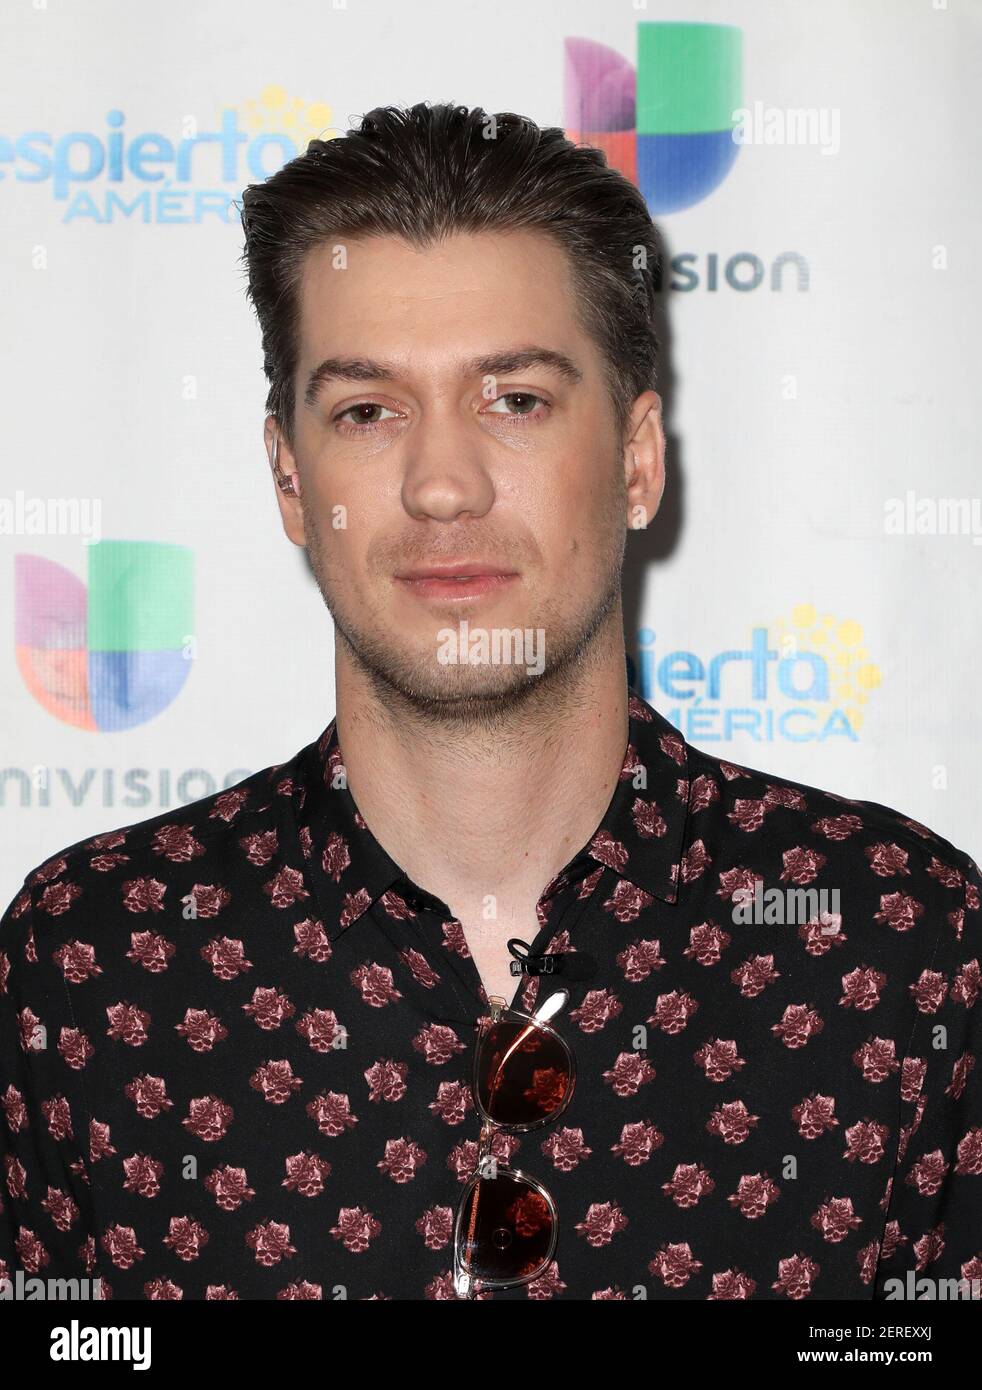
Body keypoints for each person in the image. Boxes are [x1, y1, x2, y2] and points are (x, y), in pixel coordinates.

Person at [1, 103, 979, 1302]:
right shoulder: (93, 962)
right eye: (368, 410)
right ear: (290, 479)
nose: (443, 484)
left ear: (634, 460)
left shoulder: (898, 945)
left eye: (513, 398)